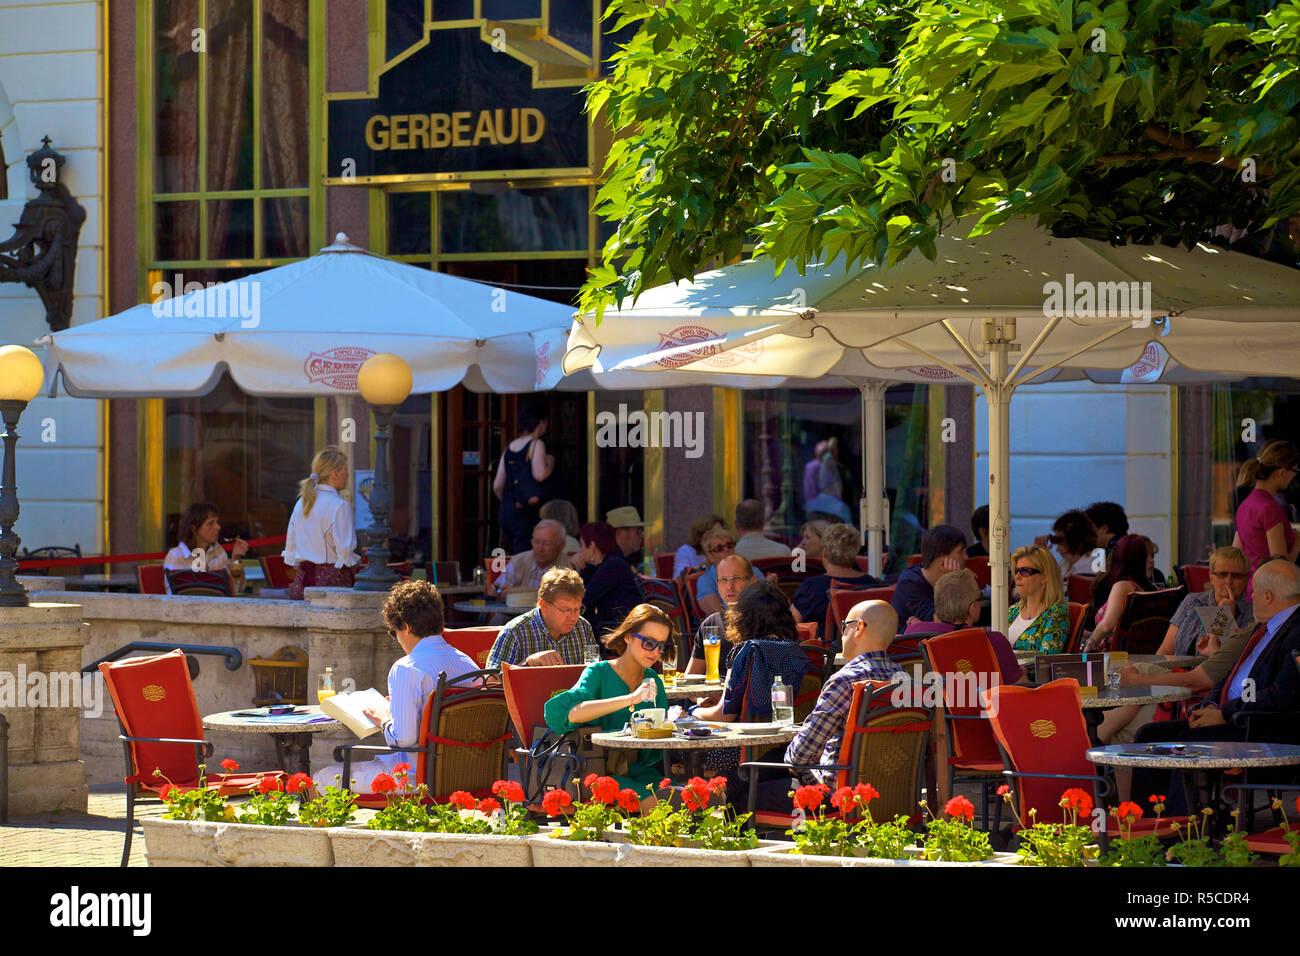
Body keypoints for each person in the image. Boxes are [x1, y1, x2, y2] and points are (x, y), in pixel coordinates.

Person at [1132, 559, 1300, 807]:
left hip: (1262, 727)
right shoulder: (1266, 627)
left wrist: (1225, 713)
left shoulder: (1295, 631)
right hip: (1236, 719)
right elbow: (1231, 675)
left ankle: (1183, 828)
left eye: (1253, 591)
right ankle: (1145, 823)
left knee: (1189, 742)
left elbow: (1284, 694)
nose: (1250, 598)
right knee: (1151, 735)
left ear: (1267, 596)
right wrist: (1210, 704)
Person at [313, 580, 477, 793]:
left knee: (320, 778)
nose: (397, 639)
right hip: (468, 773)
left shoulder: (407, 669)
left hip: (418, 778)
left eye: (394, 632)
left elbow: (404, 740)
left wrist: (385, 720)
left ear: (406, 627)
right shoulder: (467, 663)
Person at [544, 604, 672, 808]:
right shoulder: (598, 672)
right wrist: (632, 699)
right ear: (629, 636)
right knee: (654, 802)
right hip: (593, 772)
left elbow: (652, 748)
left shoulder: (652, 679)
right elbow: (572, 714)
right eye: (648, 642)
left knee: (677, 798)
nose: (655, 651)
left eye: (661, 645)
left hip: (635, 770)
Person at [783, 600, 904, 788]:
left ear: (859, 628)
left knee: (744, 786)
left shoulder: (845, 680)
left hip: (838, 797)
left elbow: (799, 756)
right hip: (890, 793)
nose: (842, 634)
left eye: (845, 626)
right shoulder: (906, 681)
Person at [906, 570, 1025, 684]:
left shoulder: (913, 632)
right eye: (980, 598)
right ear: (972, 609)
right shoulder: (991, 640)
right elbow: (1020, 688)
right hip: (980, 704)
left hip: (925, 702)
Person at [281, 447, 359, 599]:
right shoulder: (339, 506)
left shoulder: (301, 503)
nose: (347, 474)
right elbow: (345, 554)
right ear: (334, 474)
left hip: (302, 581)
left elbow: (291, 545)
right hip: (331, 581)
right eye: (345, 469)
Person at [1155, 546, 1254, 658]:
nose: (1228, 581)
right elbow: (1165, 651)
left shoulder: (1252, 614)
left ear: (1246, 579)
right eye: (1222, 574)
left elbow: (1225, 664)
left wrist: (1224, 616)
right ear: (1211, 577)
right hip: (1177, 672)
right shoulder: (1193, 601)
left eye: (1236, 576)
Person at [486, 568, 596, 667]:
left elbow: (595, 673)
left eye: (577, 609)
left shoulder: (583, 627)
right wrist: (528, 663)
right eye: (565, 610)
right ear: (544, 605)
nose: (573, 617)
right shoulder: (515, 632)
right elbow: (490, 681)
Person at [1232, 439, 1300, 593]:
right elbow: (1280, 567)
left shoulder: (1244, 506)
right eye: (1294, 472)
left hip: (1251, 593)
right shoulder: (1271, 509)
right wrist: (1297, 544)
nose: (1293, 478)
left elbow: (1237, 555)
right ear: (1282, 471)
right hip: (1272, 596)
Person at [791, 523, 879, 640]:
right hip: (864, 650)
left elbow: (790, 625)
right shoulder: (872, 585)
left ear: (825, 552)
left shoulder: (812, 587)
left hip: (823, 654)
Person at [493, 403, 554, 554]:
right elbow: (540, 475)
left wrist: (509, 502)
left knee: (513, 553)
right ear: (541, 423)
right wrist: (550, 463)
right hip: (526, 511)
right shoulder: (536, 444)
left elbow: (497, 486)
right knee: (526, 556)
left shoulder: (510, 446)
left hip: (506, 511)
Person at [685, 553, 755, 677]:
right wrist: (701, 697)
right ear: (717, 584)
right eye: (723, 580)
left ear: (752, 581)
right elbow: (691, 678)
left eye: (737, 578)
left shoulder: (766, 620)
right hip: (713, 694)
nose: (730, 586)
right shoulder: (711, 625)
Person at [1083, 534, 1155, 651]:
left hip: (1114, 658)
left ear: (1117, 557)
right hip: (1141, 655)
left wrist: (1088, 644)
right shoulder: (1152, 590)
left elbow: (1107, 626)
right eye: (1147, 556)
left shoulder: (1123, 587)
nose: (1151, 560)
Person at [573, 521, 643, 639]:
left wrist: (572, 568)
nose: (579, 551)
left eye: (582, 545)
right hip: (613, 630)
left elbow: (583, 601)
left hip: (622, 633)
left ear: (592, 546)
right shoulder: (603, 565)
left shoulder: (613, 565)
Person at [891, 524, 967, 630]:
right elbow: (944, 622)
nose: (966, 557)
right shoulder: (910, 583)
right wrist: (953, 583)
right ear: (942, 561)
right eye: (960, 552)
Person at [165, 501, 249, 594]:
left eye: (217, 522)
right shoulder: (176, 555)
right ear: (194, 528)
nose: (218, 527)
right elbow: (172, 597)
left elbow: (237, 589)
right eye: (211, 523)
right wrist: (202, 580)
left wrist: (236, 559)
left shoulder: (217, 551)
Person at [1006, 545, 1072, 654]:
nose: (1017, 576)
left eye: (1025, 571)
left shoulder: (1056, 613)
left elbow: (1045, 662)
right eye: (1016, 570)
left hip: (1027, 671)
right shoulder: (1013, 610)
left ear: (1044, 577)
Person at [484, 519, 569, 599]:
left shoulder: (568, 567)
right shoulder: (519, 561)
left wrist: (516, 592)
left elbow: (557, 597)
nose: (540, 548)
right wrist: (497, 591)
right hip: (512, 614)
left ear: (561, 545)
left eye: (547, 543)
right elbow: (495, 590)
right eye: (536, 541)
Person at [694, 526, 762, 617]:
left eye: (729, 545)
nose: (726, 550)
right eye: (719, 548)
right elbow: (720, 614)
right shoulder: (705, 581)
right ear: (709, 555)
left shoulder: (753, 572)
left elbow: (764, 604)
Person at [1035, 509, 1101, 580]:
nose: (1057, 550)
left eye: (1059, 541)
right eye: (1054, 540)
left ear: (1077, 541)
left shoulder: (1094, 563)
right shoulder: (1065, 563)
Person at [674, 513, 727, 578]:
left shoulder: (726, 549)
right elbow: (679, 578)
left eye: (720, 532)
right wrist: (704, 565)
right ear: (700, 535)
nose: (718, 536)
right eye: (713, 533)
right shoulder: (686, 551)